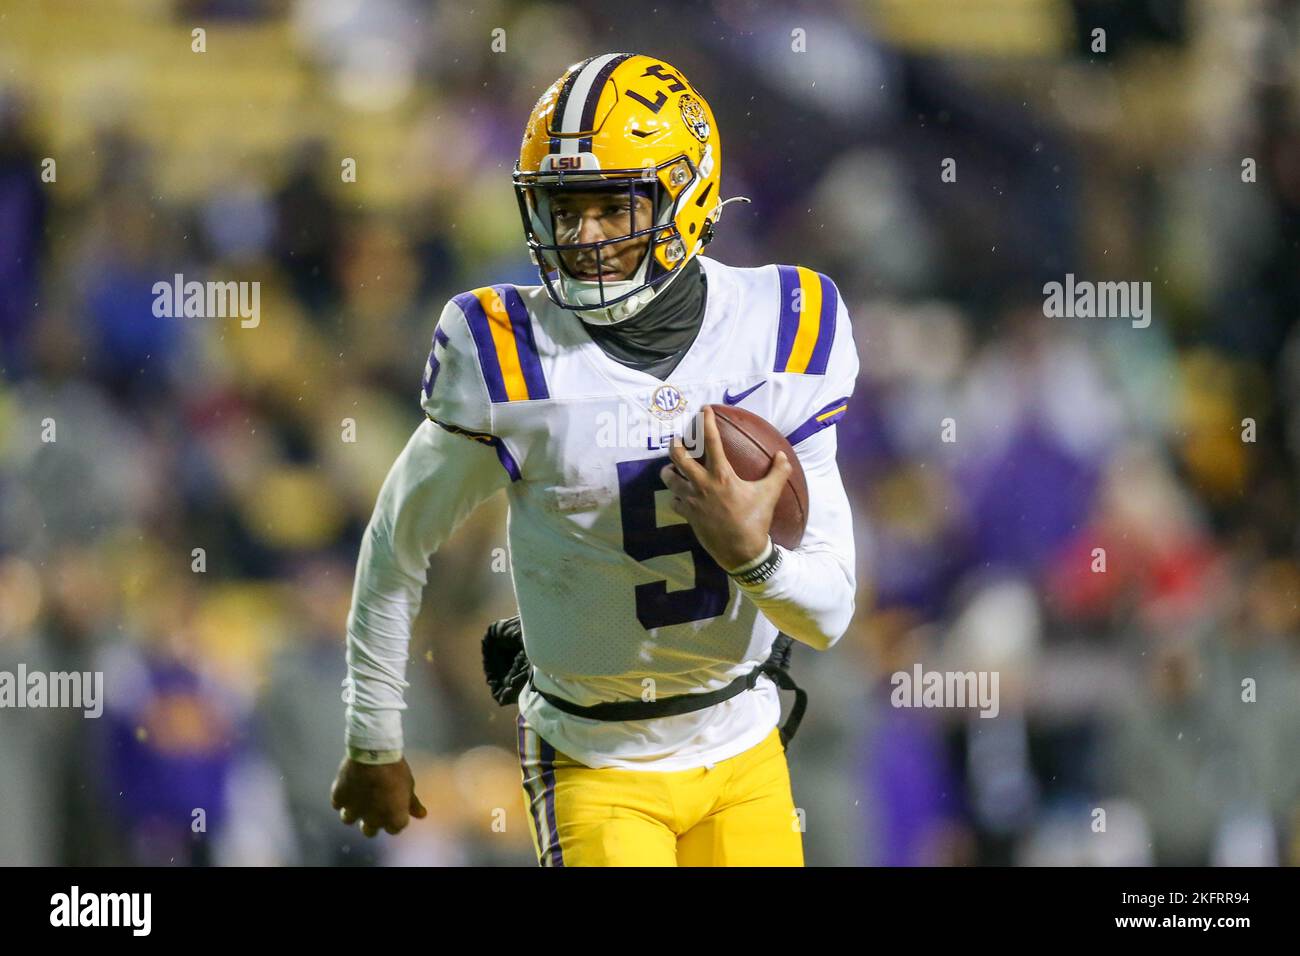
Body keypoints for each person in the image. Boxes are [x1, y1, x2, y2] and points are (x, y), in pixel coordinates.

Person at [331, 52, 860, 866]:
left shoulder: (785, 326)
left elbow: (826, 615)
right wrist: (373, 737)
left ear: (686, 194)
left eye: (614, 207)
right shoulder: (508, 355)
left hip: (743, 743)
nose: (584, 239)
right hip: (594, 759)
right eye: (563, 209)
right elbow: (398, 543)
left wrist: (752, 556)